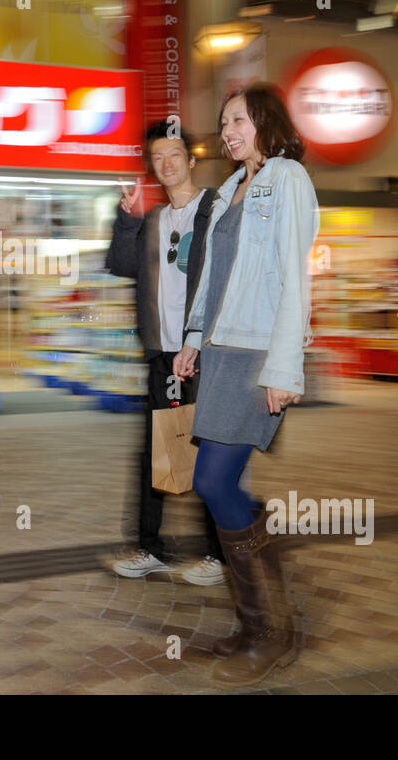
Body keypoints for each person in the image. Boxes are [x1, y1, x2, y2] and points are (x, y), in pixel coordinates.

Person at [173, 83, 320, 686]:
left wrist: (285, 369)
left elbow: (294, 276)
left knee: (213, 480)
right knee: (219, 485)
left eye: (238, 119)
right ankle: (256, 625)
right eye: (225, 121)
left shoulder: (287, 179)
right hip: (223, 351)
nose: (229, 130)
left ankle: (270, 633)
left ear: (264, 120)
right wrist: (192, 336)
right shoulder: (231, 190)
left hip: (259, 352)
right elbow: (212, 280)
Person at [106, 121, 223, 585]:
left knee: (209, 452)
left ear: (191, 160)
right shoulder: (153, 220)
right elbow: (121, 265)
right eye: (158, 157)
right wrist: (128, 218)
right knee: (158, 452)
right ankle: (149, 547)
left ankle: (219, 553)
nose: (168, 163)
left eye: (175, 154)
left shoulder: (214, 210)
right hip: (163, 354)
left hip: (205, 353)